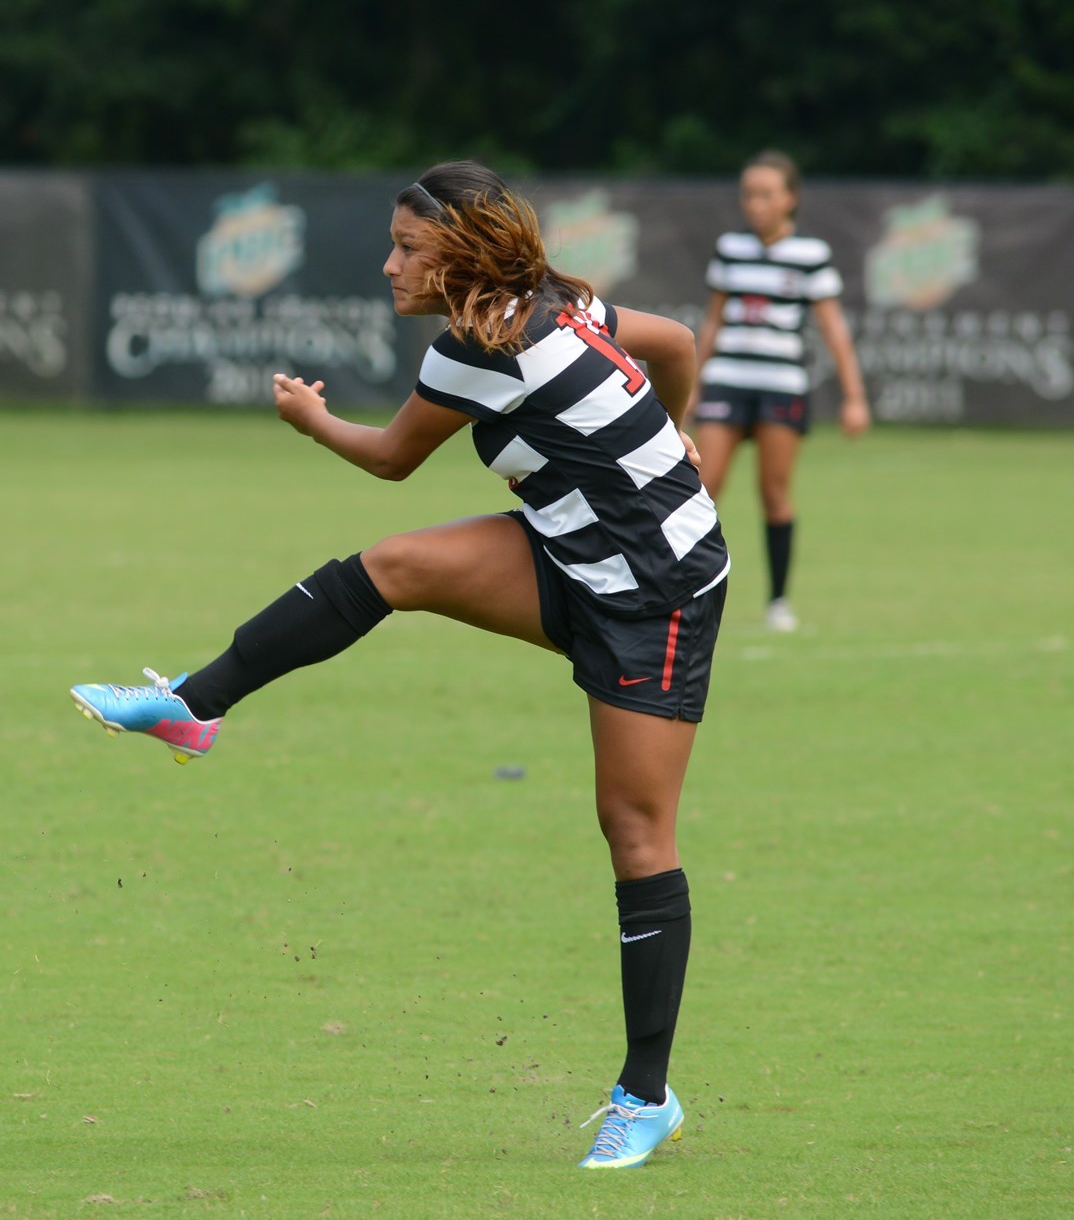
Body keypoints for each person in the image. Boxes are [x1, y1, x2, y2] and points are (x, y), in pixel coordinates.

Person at [69, 160, 730, 1170]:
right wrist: (675, 429)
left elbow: (386, 457)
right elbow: (676, 346)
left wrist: (307, 420)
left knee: (633, 828)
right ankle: (190, 708)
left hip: (658, 589)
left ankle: (646, 1097)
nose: (388, 264)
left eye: (406, 247)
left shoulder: (481, 342)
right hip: (574, 547)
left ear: (459, 255)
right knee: (394, 568)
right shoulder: (559, 300)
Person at [687, 150, 869, 632]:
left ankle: (778, 602)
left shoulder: (811, 254)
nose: (756, 204)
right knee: (701, 490)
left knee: (774, 494)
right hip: (727, 380)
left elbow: (833, 330)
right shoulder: (730, 248)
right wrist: (691, 388)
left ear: (790, 199)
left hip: (781, 387)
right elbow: (711, 324)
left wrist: (854, 397)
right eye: (749, 194)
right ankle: (687, 592)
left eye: (767, 194)